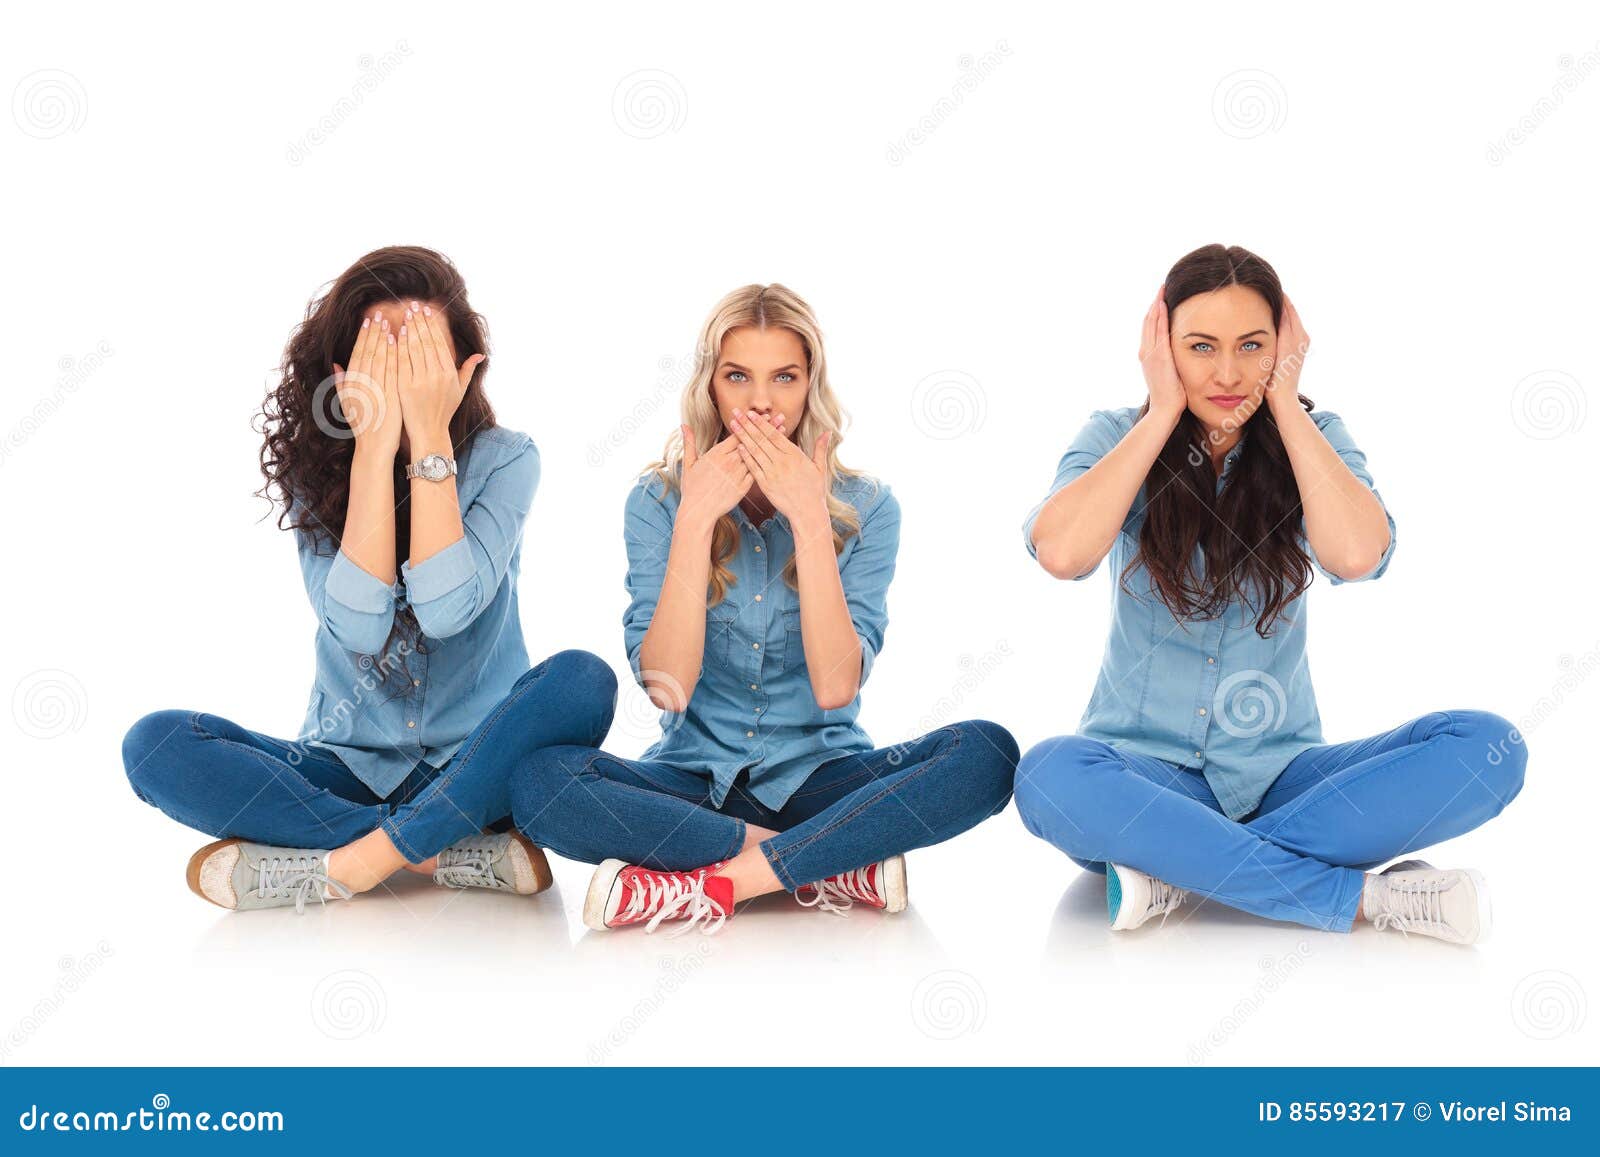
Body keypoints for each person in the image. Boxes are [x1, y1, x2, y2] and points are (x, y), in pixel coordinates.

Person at [1015, 244, 1525, 945]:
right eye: (1201, 347)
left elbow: (1357, 554)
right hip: (1142, 781)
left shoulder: (1314, 437)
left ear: (1282, 350)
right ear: (1163, 349)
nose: (1228, 374)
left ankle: (1178, 869)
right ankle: (1360, 898)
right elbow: (1061, 552)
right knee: (1049, 774)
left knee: (1489, 747)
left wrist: (1284, 401)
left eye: (1252, 346)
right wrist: (1162, 412)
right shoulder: (1116, 435)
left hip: (1284, 777)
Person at [512, 284, 1018, 934]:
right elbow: (668, 688)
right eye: (737, 376)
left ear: (810, 386)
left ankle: (716, 882)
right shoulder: (657, 502)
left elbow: (836, 687)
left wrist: (809, 517)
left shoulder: (869, 507)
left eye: (784, 377)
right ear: (710, 386)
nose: (760, 401)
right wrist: (696, 519)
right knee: (540, 783)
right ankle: (829, 863)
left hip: (823, 781)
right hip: (691, 785)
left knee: (988, 753)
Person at [122, 246, 616, 912]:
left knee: (584, 681)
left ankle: (353, 862)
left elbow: (445, 611)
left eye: (422, 357)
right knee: (155, 745)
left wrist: (428, 436)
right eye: (385, 357)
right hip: (348, 765)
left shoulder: (507, 460)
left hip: (476, 768)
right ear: (345, 376)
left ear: (464, 368)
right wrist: (375, 450)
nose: (405, 376)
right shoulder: (312, 474)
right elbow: (359, 626)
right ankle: (439, 852)